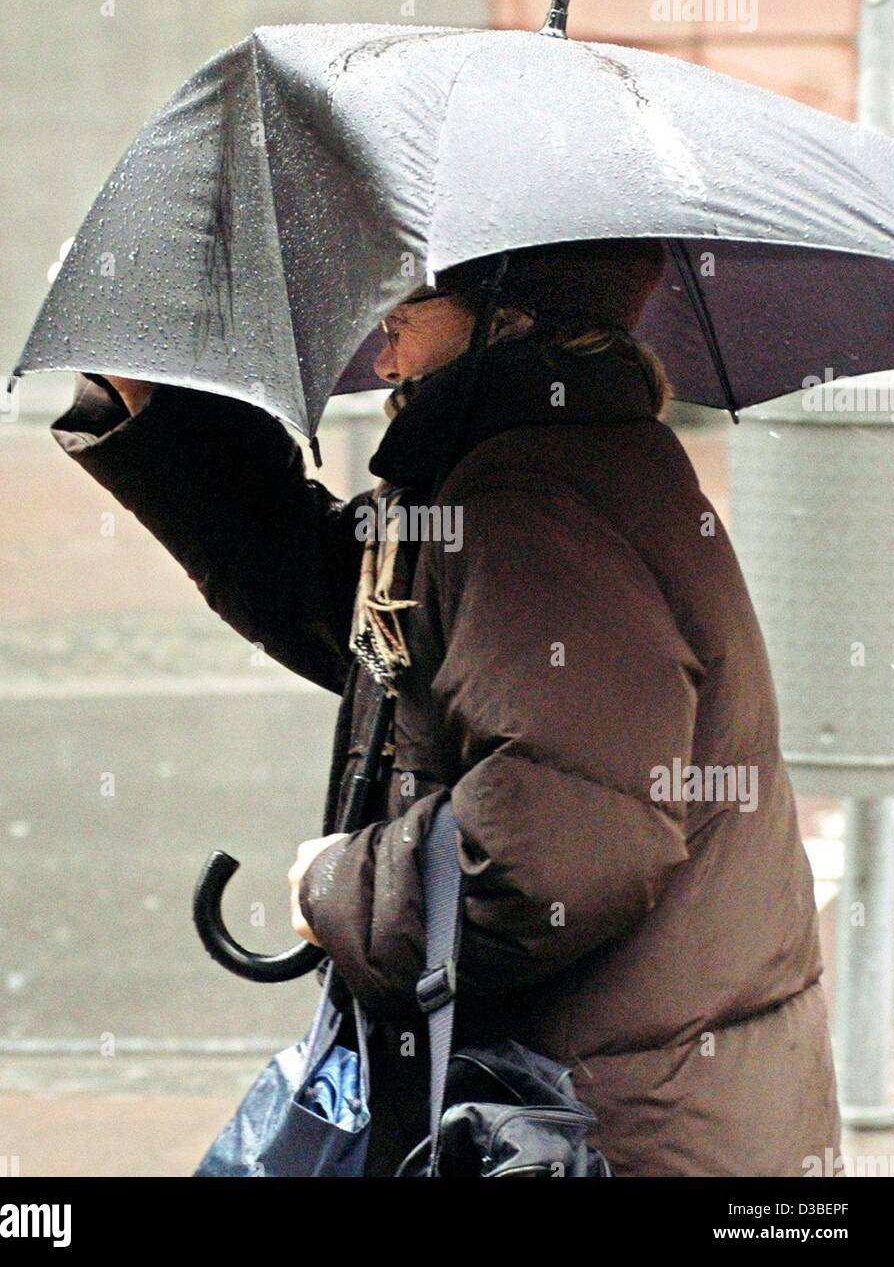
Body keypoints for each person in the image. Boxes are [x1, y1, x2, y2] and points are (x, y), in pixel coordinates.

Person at [50, 238, 842, 1176]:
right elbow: (365, 619)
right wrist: (160, 402)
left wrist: (337, 882)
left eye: (408, 302)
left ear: (510, 310)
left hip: (602, 1128)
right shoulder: (526, 460)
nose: (381, 338)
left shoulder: (533, 503)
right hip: (592, 1104)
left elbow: (547, 857)